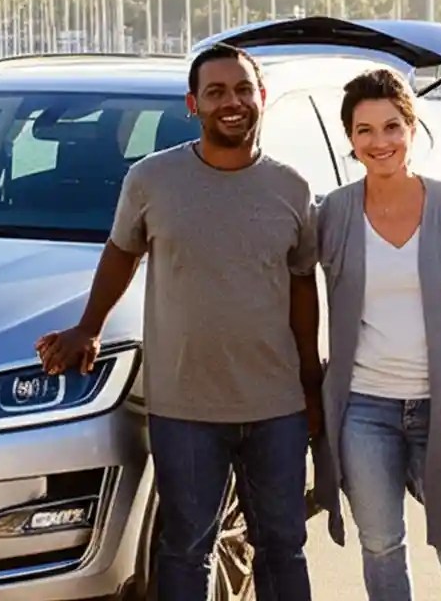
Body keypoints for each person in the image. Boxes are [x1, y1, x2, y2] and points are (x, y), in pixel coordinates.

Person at [35, 43, 323, 600]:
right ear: (193, 104)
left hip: (277, 408)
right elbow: (122, 252)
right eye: (215, 92)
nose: (231, 102)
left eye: (242, 90)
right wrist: (88, 326)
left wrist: (311, 383)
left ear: (261, 98)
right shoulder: (152, 180)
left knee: (283, 544)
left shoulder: (292, 188)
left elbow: (301, 285)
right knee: (187, 547)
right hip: (185, 408)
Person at [311, 66, 441, 601]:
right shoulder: (335, 212)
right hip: (364, 409)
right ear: (349, 139)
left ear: (412, 129)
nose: (380, 142)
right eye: (364, 130)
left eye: (392, 127)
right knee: (382, 547)